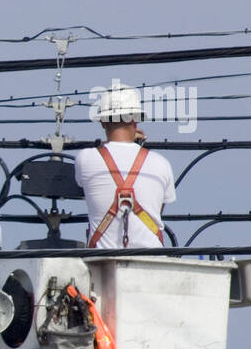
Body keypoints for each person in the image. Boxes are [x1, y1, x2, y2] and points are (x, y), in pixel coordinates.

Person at [74, 81, 177, 248]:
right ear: (135, 120)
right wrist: (137, 145)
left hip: (102, 265)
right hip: (153, 263)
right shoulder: (161, 164)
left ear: (102, 122)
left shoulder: (85, 159)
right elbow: (156, 211)